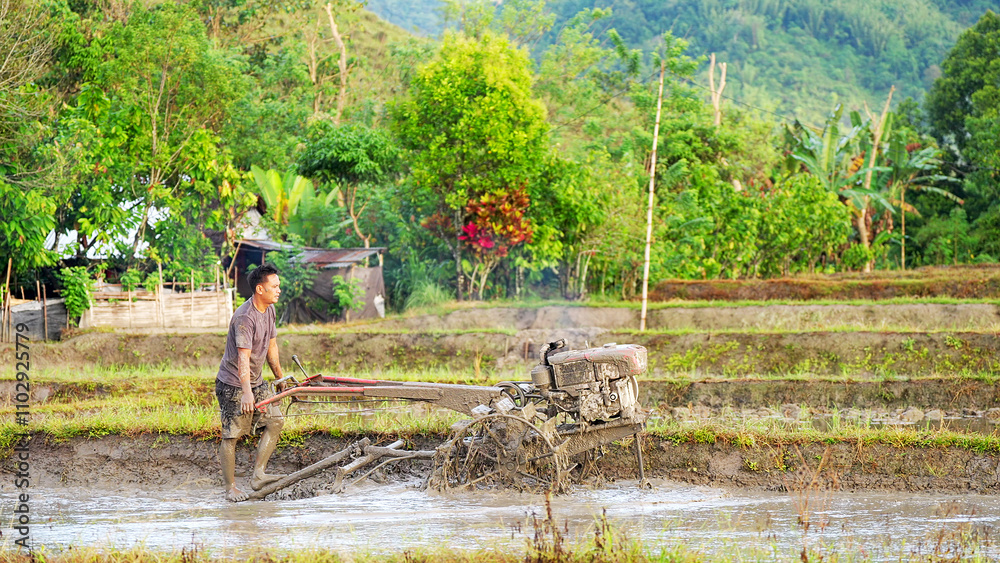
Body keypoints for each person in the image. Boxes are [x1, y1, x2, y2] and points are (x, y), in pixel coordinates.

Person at [216, 263, 287, 501]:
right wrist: (247, 393)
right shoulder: (245, 318)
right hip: (233, 384)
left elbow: (272, 347)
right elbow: (242, 359)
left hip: (255, 381)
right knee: (232, 435)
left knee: (276, 420)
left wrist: (280, 378)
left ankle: (258, 474)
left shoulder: (270, 310)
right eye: (274, 286)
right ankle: (230, 488)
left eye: (279, 285)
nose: (279, 290)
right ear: (259, 289)